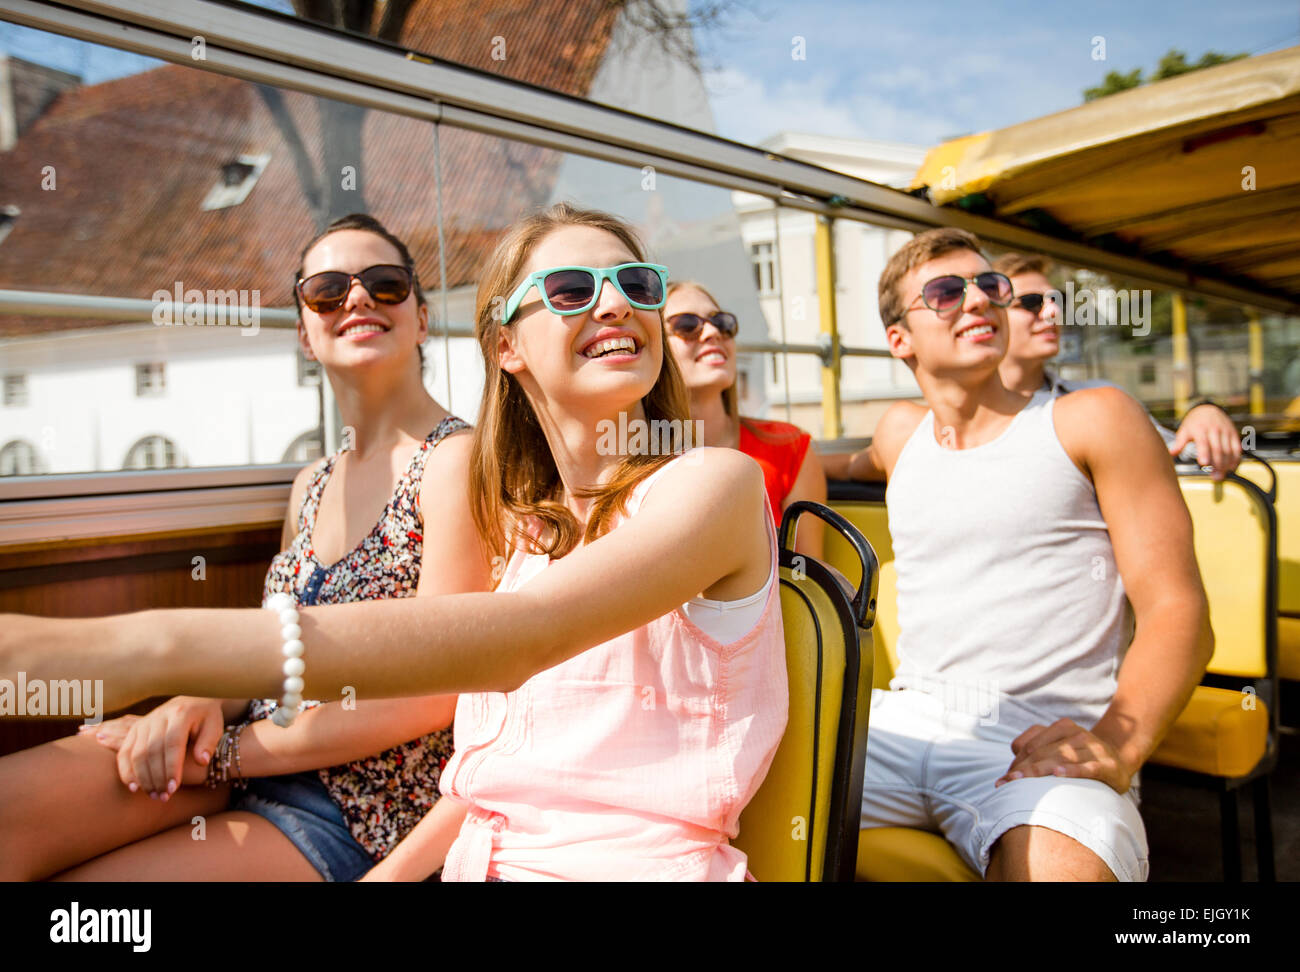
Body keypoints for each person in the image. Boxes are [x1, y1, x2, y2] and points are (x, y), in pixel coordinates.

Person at [1, 204, 788, 882]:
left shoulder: (714, 486)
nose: (615, 306)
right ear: (506, 346)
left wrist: (146, 650)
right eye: (574, 290)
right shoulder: (527, 532)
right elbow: (488, 779)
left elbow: (517, 640)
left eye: (637, 286)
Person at [0, 214, 490, 881]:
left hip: (353, 807)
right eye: (327, 290)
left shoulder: (455, 463)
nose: (358, 299)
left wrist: (228, 751)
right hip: (241, 760)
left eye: (386, 283)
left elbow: (440, 689)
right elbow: (271, 643)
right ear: (304, 334)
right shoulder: (312, 484)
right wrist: (198, 702)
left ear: (422, 317)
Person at [842, 227, 1213, 881]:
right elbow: (834, 463)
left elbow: (1178, 609)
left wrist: (1118, 746)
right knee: (709, 797)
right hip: (900, 720)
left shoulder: (1092, 420)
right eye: (947, 292)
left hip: (1038, 737)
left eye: (991, 286)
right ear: (900, 339)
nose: (980, 301)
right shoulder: (901, 433)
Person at [992, 252, 1242, 480]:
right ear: (989, 316)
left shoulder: (1103, 401)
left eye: (1057, 299)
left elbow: (1188, 458)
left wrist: (1204, 412)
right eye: (1031, 302)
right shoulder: (960, 419)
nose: (1053, 311)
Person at [662, 281, 826, 558]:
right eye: (687, 325)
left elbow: (806, 576)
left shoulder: (788, 448)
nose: (713, 332)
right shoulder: (635, 456)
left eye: (722, 322)